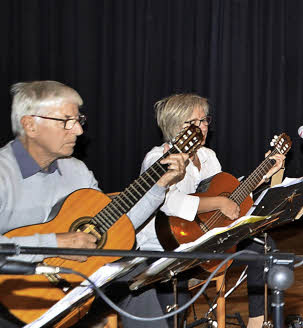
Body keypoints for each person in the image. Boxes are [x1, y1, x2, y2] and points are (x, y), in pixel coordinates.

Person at [0, 81, 187, 327]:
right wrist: (55, 243)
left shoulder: (77, 171)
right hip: (14, 296)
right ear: (30, 125)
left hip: (78, 285)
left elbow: (115, 228)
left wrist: (159, 186)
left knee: (135, 278)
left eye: (79, 120)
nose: (78, 130)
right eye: (66, 121)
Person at [140, 94, 285, 327]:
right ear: (175, 126)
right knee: (175, 279)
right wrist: (218, 203)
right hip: (164, 243)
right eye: (194, 123)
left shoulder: (208, 156)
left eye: (205, 120)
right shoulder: (157, 158)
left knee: (266, 249)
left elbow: (227, 193)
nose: (203, 127)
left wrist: (264, 173)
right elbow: (168, 203)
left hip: (205, 236)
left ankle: (257, 323)